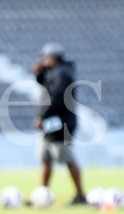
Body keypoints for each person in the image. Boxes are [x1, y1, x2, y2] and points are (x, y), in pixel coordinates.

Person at [33, 42, 86, 205]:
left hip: (63, 124)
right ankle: (42, 194)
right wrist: (39, 73)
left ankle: (80, 195)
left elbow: (56, 98)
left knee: (67, 156)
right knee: (46, 156)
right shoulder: (57, 72)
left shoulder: (62, 74)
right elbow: (44, 86)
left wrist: (42, 116)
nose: (43, 61)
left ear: (53, 58)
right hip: (53, 123)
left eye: (46, 58)